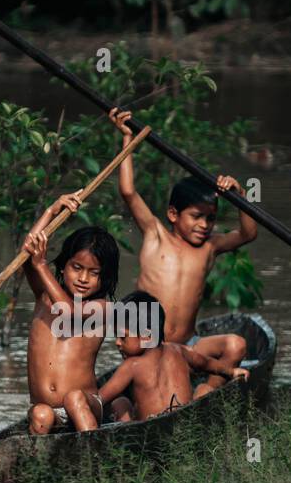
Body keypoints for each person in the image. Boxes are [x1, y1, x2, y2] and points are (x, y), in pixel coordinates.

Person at [109, 107, 257, 387]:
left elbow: (248, 233)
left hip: (189, 347)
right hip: (148, 346)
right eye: (197, 216)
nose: (204, 225)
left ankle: (206, 392)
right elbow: (128, 191)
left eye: (211, 218)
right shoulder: (155, 235)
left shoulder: (209, 248)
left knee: (236, 344)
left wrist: (239, 196)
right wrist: (128, 139)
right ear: (174, 214)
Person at [23, 192, 119, 435]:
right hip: (49, 410)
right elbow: (27, 253)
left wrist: (41, 265)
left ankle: (91, 461)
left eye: (93, 272)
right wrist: (51, 211)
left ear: (104, 277)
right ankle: (39, 468)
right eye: (77, 268)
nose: (84, 279)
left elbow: (69, 313)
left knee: (74, 398)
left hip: (85, 404)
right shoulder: (44, 298)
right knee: (40, 414)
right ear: (63, 265)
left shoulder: (100, 308)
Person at [100, 291, 248, 423]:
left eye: (122, 337)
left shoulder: (131, 365)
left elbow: (101, 399)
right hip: (184, 423)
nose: (117, 343)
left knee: (120, 402)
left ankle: (126, 437)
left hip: (150, 431)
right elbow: (206, 363)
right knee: (204, 388)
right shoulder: (179, 350)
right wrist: (232, 372)